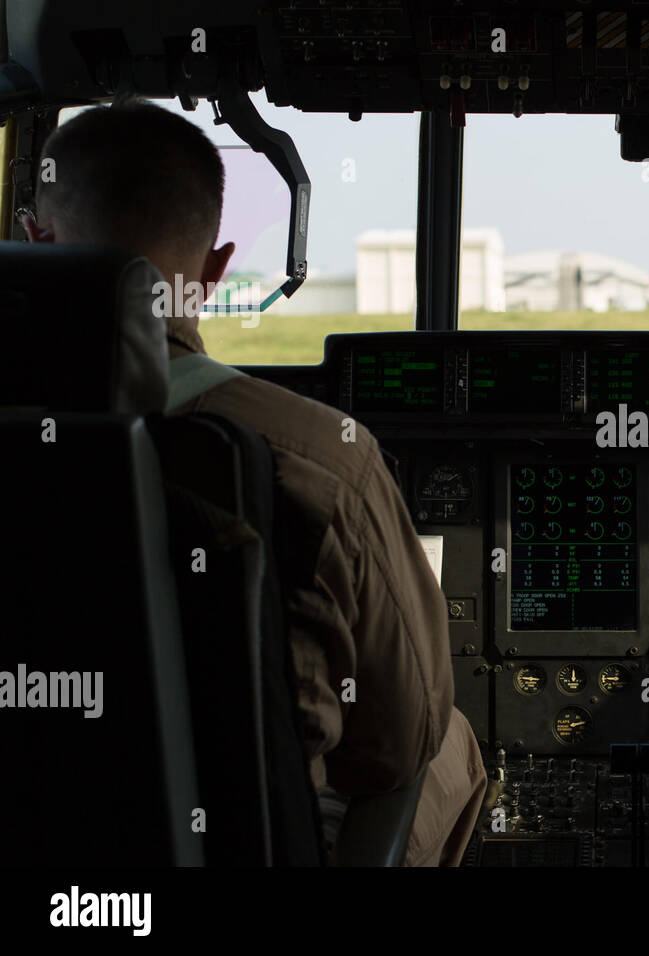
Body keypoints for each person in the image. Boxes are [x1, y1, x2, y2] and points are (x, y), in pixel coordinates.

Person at [19, 101, 486, 866]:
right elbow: (394, 750)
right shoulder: (323, 458)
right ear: (214, 270)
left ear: (34, 244)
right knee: (446, 739)